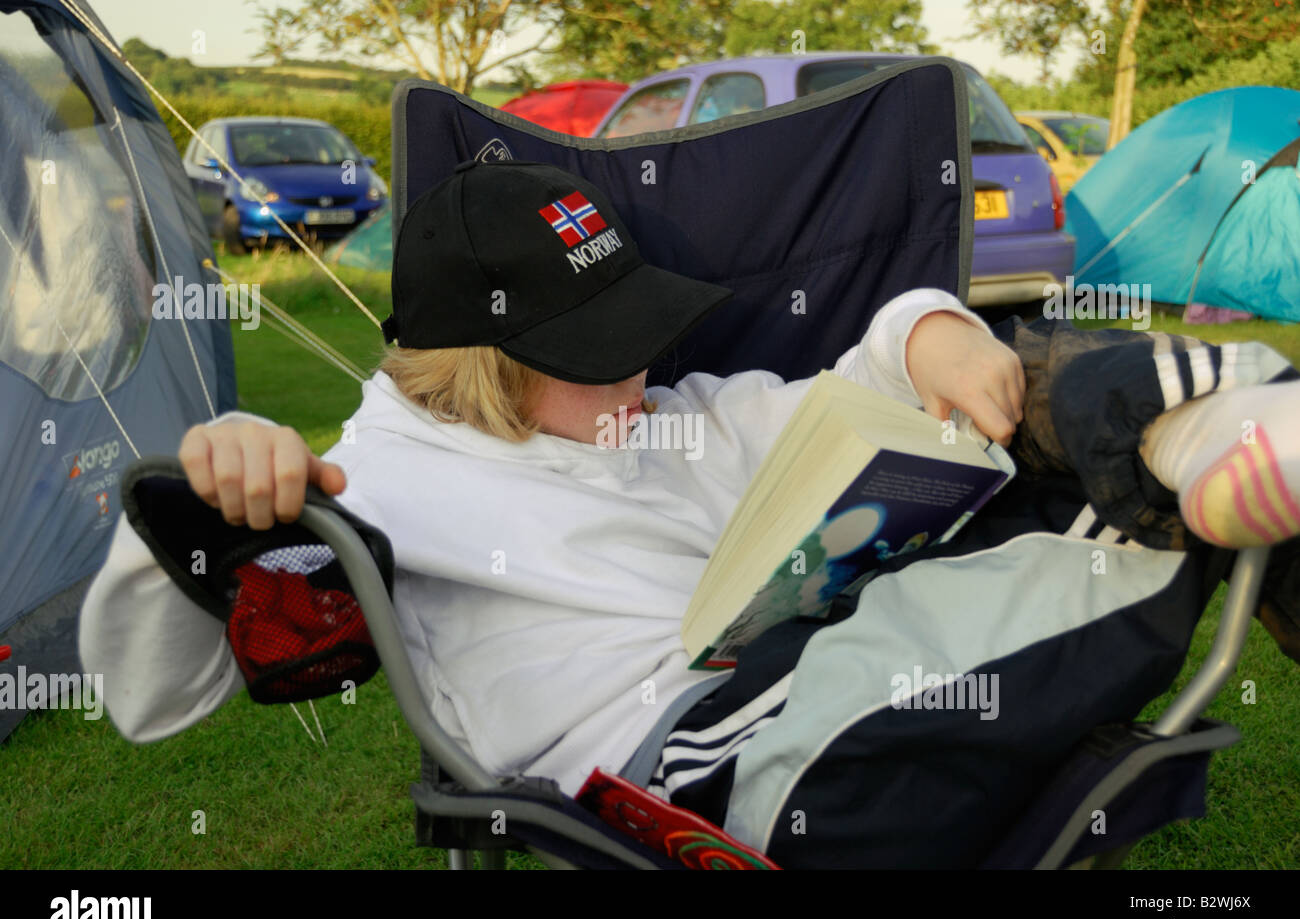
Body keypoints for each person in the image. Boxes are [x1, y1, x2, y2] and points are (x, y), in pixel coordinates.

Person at [79, 161, 1300, 868]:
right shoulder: (376, 489)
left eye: (640, 336)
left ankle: (1213, 430)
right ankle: (1212, 441)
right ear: (473, 367)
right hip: (699, 778)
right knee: (1132, 520)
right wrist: (198, 517)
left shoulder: (676, 413)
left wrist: (928, 326)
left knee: (1009, 407)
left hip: (812, 671)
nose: (638, 377)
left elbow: (855, 390)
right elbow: (152, 700)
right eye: (595, 355)